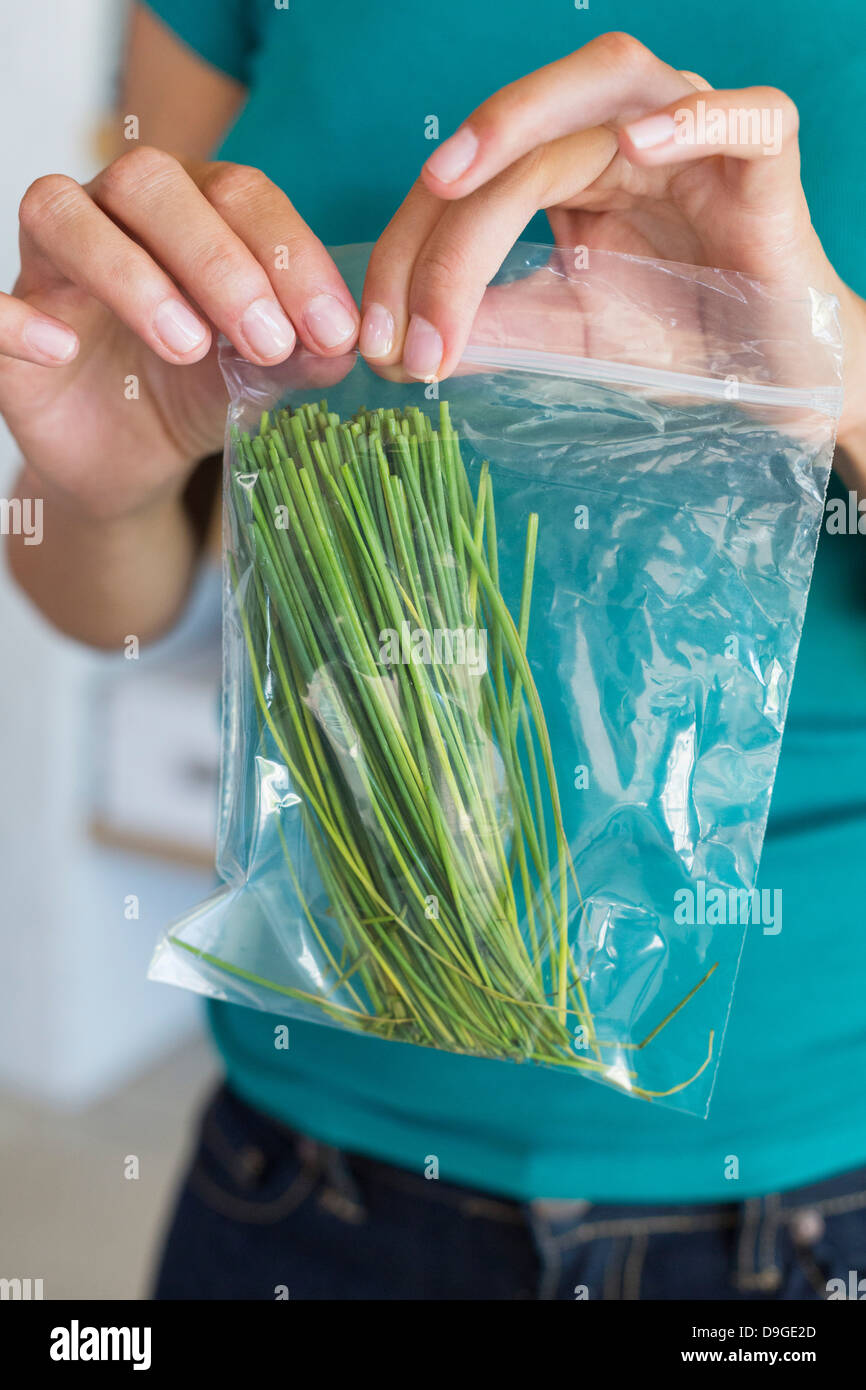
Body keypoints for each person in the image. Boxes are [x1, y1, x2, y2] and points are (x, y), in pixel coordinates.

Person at [4, 1, 866, 1300]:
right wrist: (103, 484)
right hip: (306, 1154)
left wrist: (826, 369)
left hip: (801, 1193)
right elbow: (110, 600)